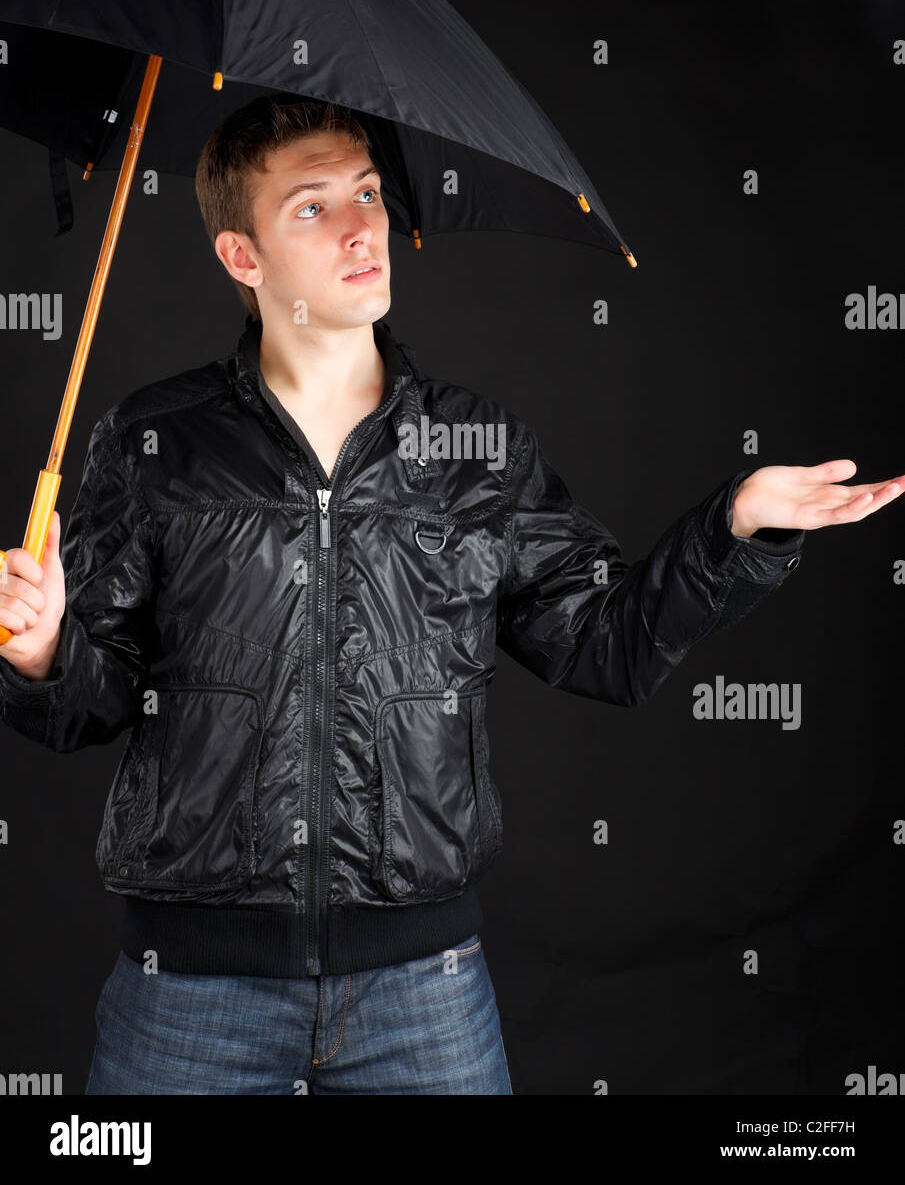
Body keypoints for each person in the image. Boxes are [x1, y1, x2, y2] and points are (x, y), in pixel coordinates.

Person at [0, 95, 901, 1096]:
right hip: (189, 996)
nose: (359, 227)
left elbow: (605, 645)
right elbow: (97, 697)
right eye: (310, 207)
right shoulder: (151, 441)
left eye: (368, 194)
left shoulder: (476, 452)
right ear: (240, 258)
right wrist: (40, 649)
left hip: (418, 993)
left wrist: (734, 527)